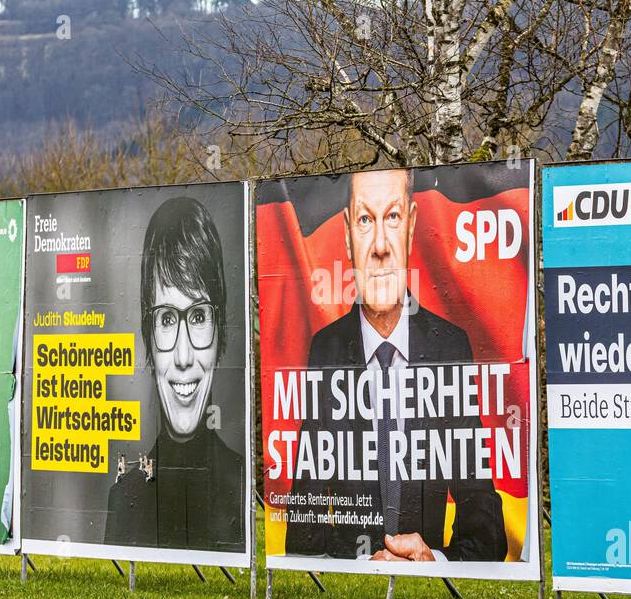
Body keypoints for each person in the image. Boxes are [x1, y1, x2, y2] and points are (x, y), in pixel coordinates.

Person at [284, 168, 507, 562]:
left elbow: (487, 532)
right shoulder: (327, 351)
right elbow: (303, 531)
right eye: (367, 220)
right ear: (349, 234)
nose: (381, 246)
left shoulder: (449, 347)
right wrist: (364, 560)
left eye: (392, 216)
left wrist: (432, 559)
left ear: (412, 224)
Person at [104, 197, 244, 552]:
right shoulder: (124, 499)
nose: (183, 356)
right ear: (148, 338)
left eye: (198, 316)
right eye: (167, 319)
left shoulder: (243, 488)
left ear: (221, 332)